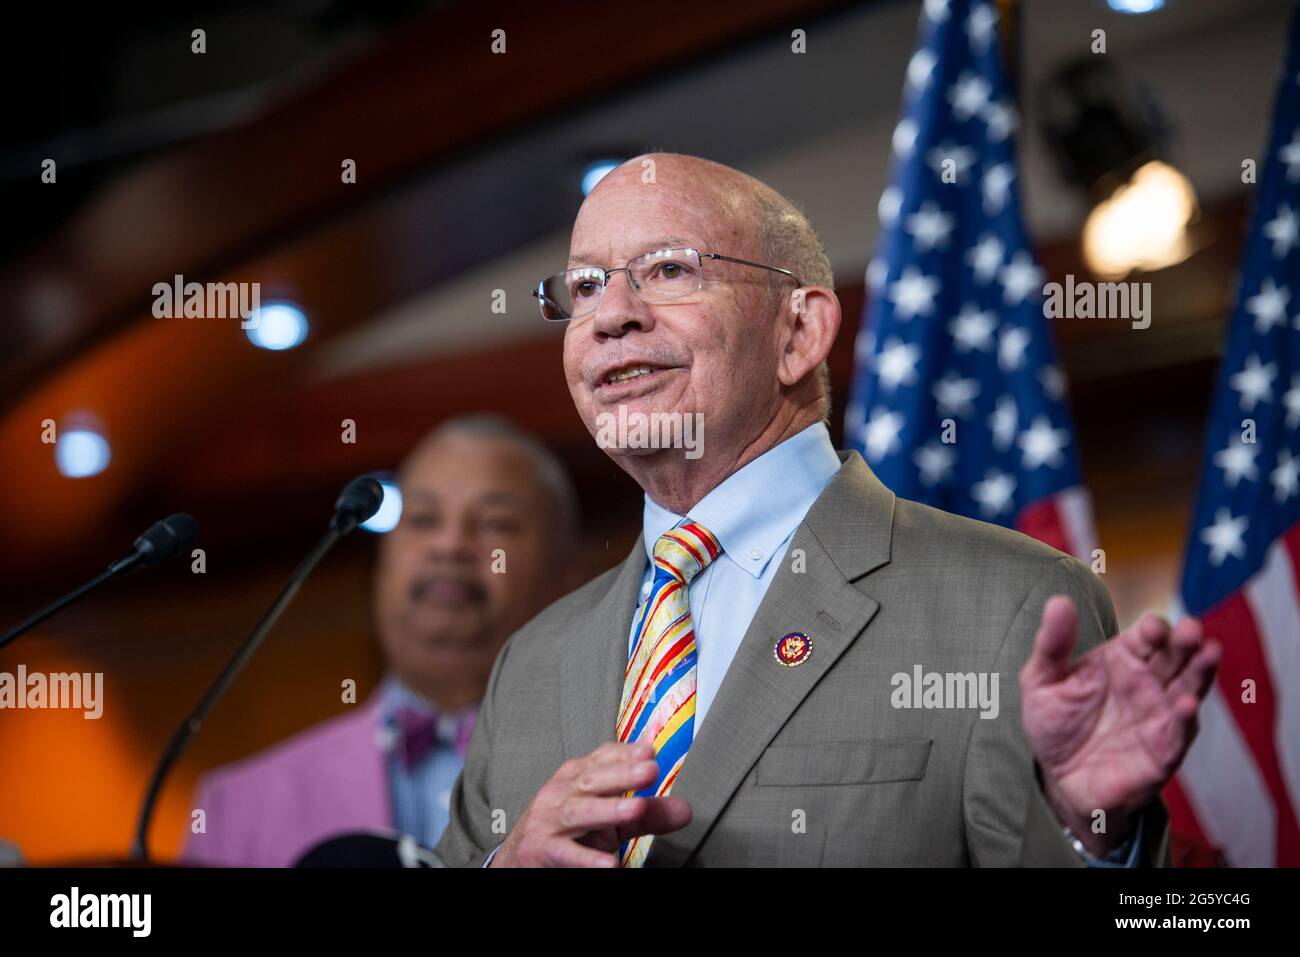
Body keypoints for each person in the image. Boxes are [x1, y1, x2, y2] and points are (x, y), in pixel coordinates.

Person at [433, 154, 1221, 868]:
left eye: (668, 270)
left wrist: (1092, 835)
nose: (611, 316)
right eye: (586, 285)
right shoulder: (531, 660)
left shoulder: (1011, 604)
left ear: (800, 330)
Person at [182, 415, 580, 866]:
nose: (449, 544)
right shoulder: (234, 806)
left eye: (496, 523)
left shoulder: (606, 770)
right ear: (380, 568)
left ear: (567, 578)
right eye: (423, 519)